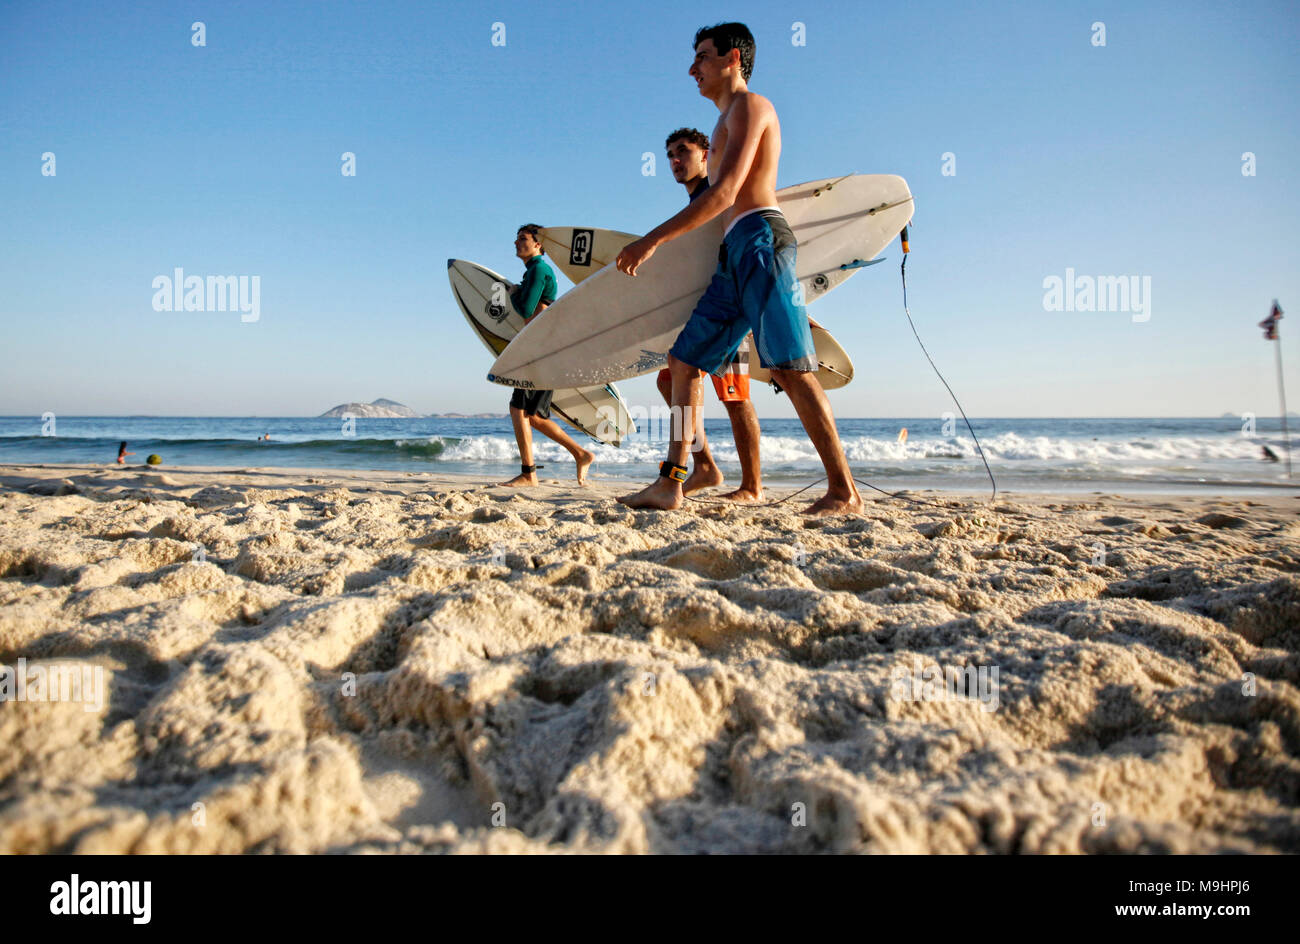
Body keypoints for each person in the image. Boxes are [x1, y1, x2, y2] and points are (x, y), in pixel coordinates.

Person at [615, 23, 861, 515]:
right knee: (684, 364)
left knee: (791, 370)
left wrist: (651, 241)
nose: (692, 68)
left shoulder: (752, 106)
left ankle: (843, 491)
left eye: (702, 57)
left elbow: (726, 193)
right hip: (735, 254)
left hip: (762, 241)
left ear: (732, 58)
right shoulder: (725, 119)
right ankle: (673, 482)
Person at [654, 127, 763, 502]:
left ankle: (752, 485)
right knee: (669, 382)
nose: (675, 161)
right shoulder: (695, 204)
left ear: (706, 154)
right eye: (669, 155)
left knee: (735, 398)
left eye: (683, 151)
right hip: (706, 309)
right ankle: (704, 466)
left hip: (731, 306)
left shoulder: (717, 194)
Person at [501, 224, 595, 487]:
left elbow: (526, 308)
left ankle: (538, 470)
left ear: (539, 244)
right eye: (516, 238)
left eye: (523, 239)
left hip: (542, 348)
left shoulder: (539, 270)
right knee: (526, 412)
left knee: (526, 412)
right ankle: (571, 457)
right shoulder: (534, 271)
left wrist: (514, 293)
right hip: (541, 347)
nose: (517, 243)